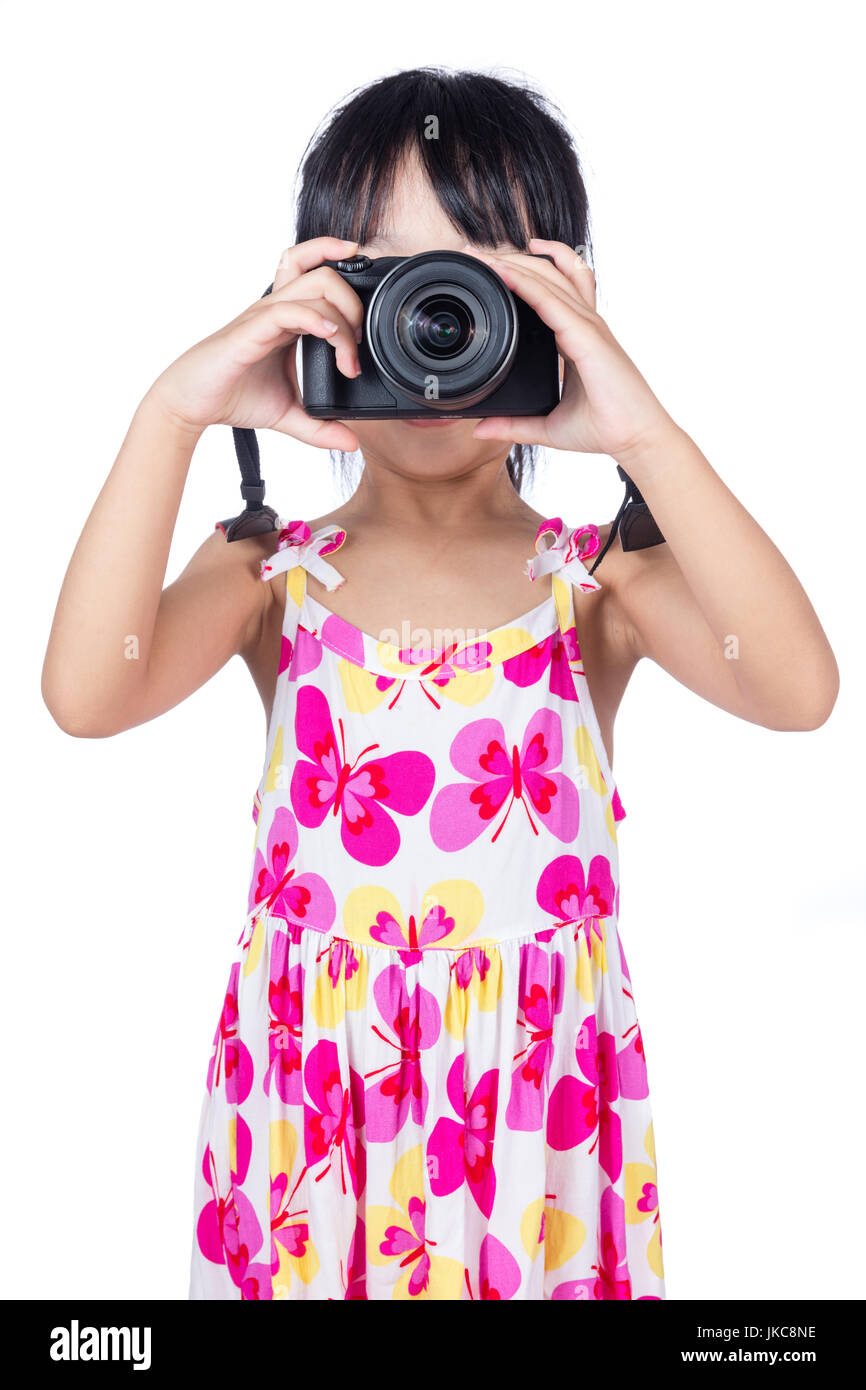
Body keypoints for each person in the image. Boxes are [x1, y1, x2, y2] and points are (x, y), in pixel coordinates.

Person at [41, 67, 839, 1301]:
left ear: (557, 307)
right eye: (385, 281)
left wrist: (640, 431)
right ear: (311, 300)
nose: (427, 325)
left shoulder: (598, 583)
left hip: (537, 1142)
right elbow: (89, 695)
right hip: (312, 1138)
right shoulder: (273, 575)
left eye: (473, 284)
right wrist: (173, 412)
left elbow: (794, 690)